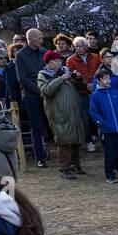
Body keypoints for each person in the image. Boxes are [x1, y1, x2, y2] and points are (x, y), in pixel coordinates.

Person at [38, 51, 87, 179]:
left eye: (60, 60)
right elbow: (46, 91)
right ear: (49, 62)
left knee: (76, 138)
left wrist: (78, 78)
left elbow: (83, 86)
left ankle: (76, 165)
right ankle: (65, 168)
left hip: (73, 111)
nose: (60, 63)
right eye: (56, 61)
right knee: (64, 140)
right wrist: (61, 79)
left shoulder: (67, 70)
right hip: (58, 112)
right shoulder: (43, 75)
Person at [14, 29, 50, 168]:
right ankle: (40, 158)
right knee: (36, 126)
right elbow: (22, 79)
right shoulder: (20, 55)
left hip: (47, 93)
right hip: (31, 95)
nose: (42, 40)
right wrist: (39, 90)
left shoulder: (44, 52)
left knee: (51, 124)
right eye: (39, 38)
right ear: (31, 39)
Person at [89, 68, 118, 184]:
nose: (108, 80)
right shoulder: (95, 96)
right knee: (110, 152)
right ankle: (109, 174)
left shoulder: (115, 92)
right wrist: (102, 123)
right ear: (99, 81)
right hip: (106, 130)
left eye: (109, 78)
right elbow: (94, 112)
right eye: (105, 78)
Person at [67, 36, 102, 153]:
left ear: (86, 47)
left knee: (97, 115)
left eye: (80, 46)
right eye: (76, 46)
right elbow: (72, 78)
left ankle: (99, 137)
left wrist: (95, 84)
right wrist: (85, 86)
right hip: (82, 93)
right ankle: (89, 141)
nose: (78, 48)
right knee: (85, 117)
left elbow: (101, 72)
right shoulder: (71, 60)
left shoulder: (96, 57)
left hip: (97, 91)